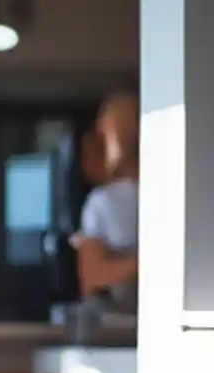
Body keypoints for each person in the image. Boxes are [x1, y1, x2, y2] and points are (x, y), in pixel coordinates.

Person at [71, 90, 140, 314]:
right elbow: (93, 275)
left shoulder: (104, 202)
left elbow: (92, 275)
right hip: (125, 322)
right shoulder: (102, 202)